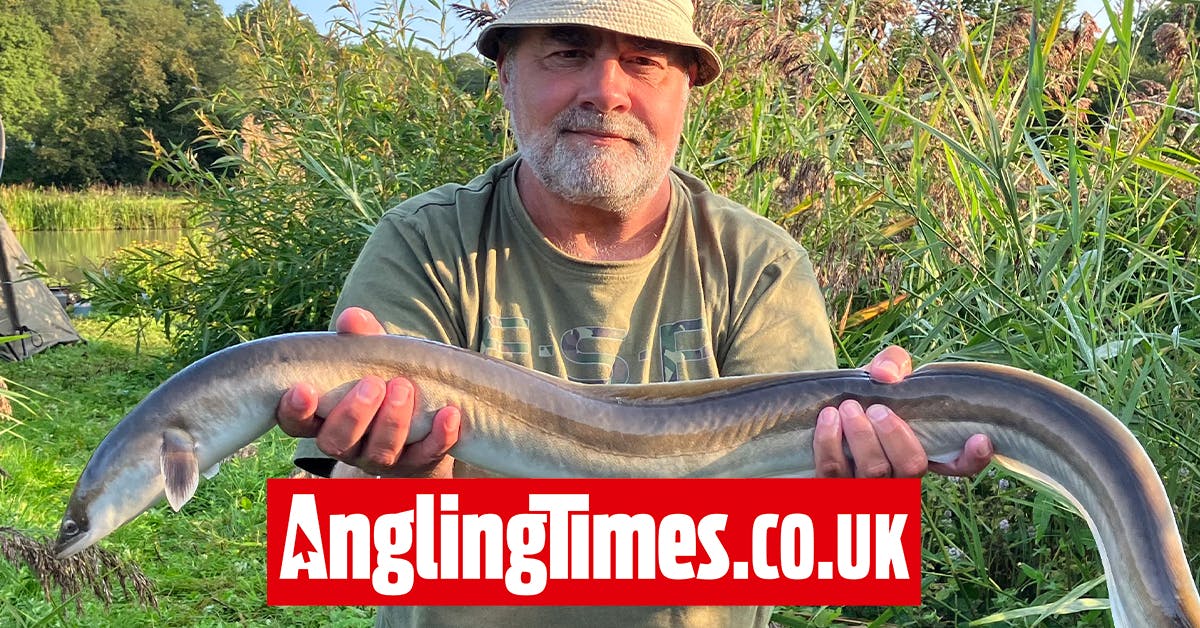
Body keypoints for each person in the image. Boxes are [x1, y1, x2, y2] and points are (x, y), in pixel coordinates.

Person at [276, 1, 993, 625]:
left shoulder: (757, 264)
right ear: (505, 75)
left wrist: (856, 496)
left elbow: (814, 556)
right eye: (568, 53)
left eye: (644, 62)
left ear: (687, 90)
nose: (605, 92)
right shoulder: (426, 244)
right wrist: (400, 472)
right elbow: (357, 545)